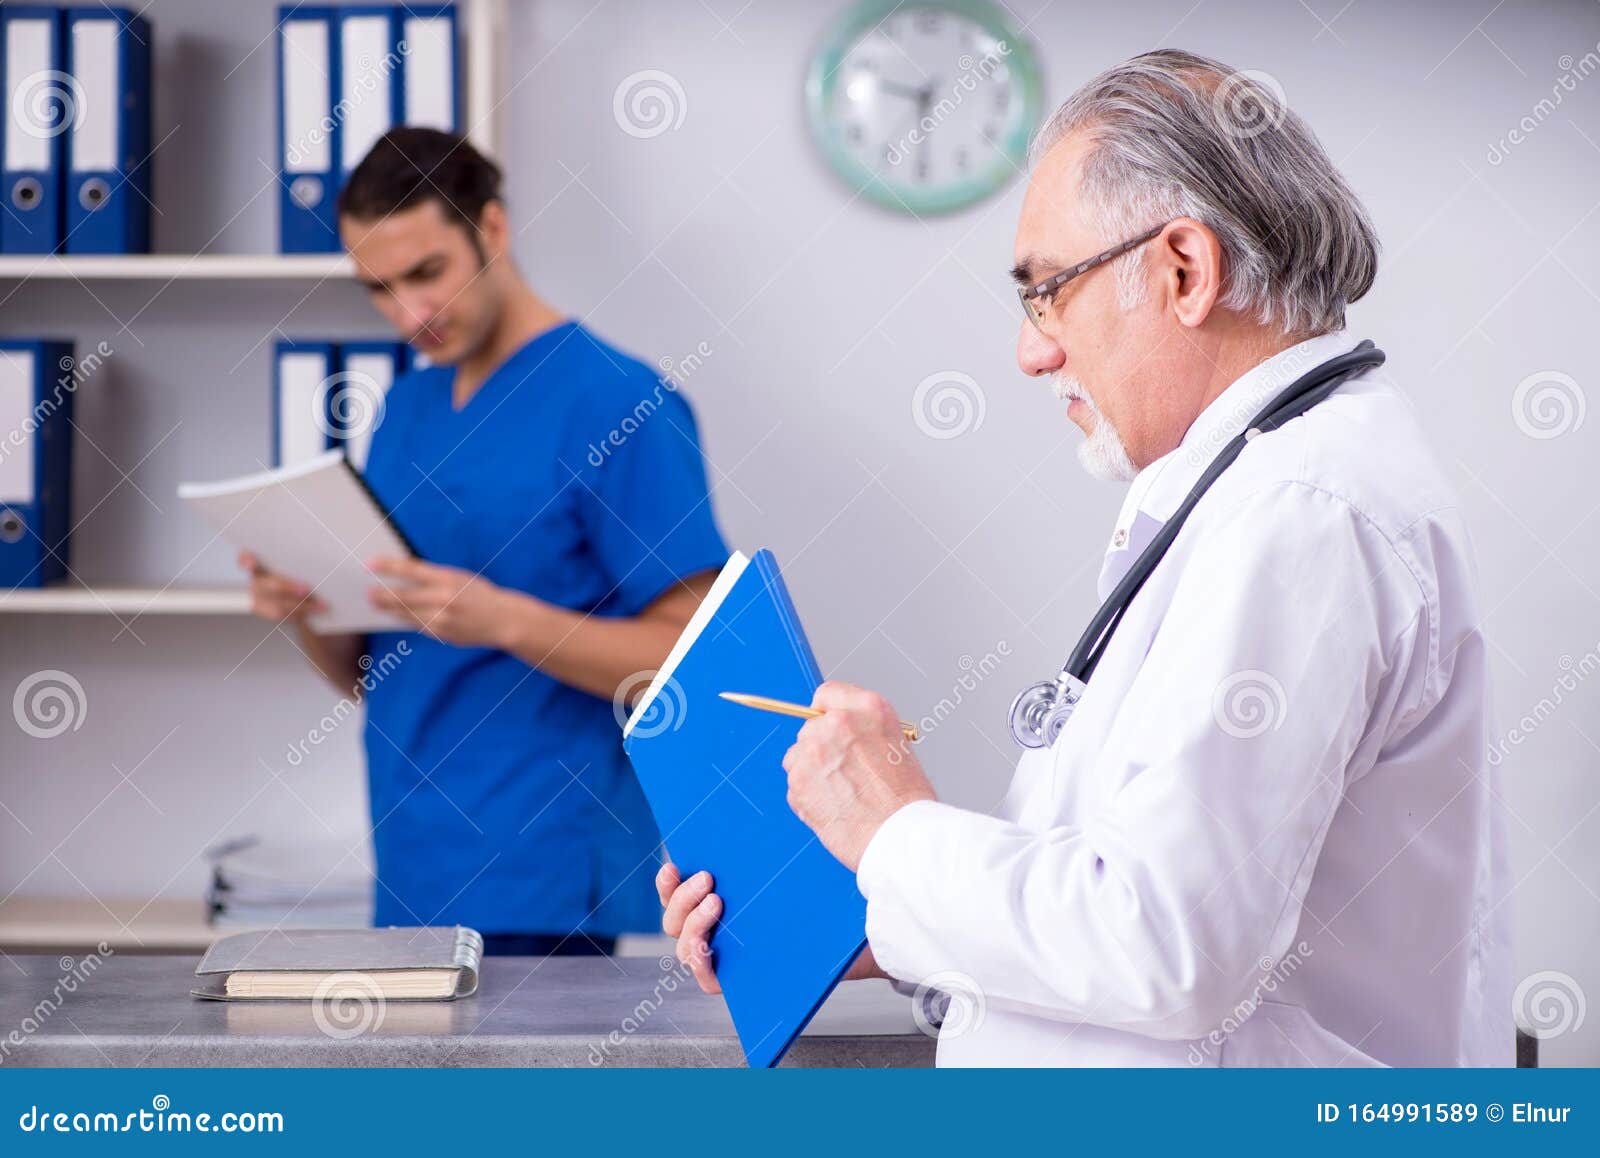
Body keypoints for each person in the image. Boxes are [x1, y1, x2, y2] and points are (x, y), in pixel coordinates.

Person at [659, 50, 1513, 1065]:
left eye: (1045, 292)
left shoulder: (1301, 512)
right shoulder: (1256, 487)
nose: (1031, 352)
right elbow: (1133, 901)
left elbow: (1168, 948)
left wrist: (895, 832)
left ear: (1184, 270)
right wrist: (876, 910)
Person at [243, 128, 729, 957]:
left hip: (545, 881)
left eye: (426, 273)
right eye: (379, 289)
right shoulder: (406, 413)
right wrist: (306, 612)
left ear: (492, 230)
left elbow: (691, 666)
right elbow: (375, 675)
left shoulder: (619, 403)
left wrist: (504, 619)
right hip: (411, 869)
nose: (409, 315)